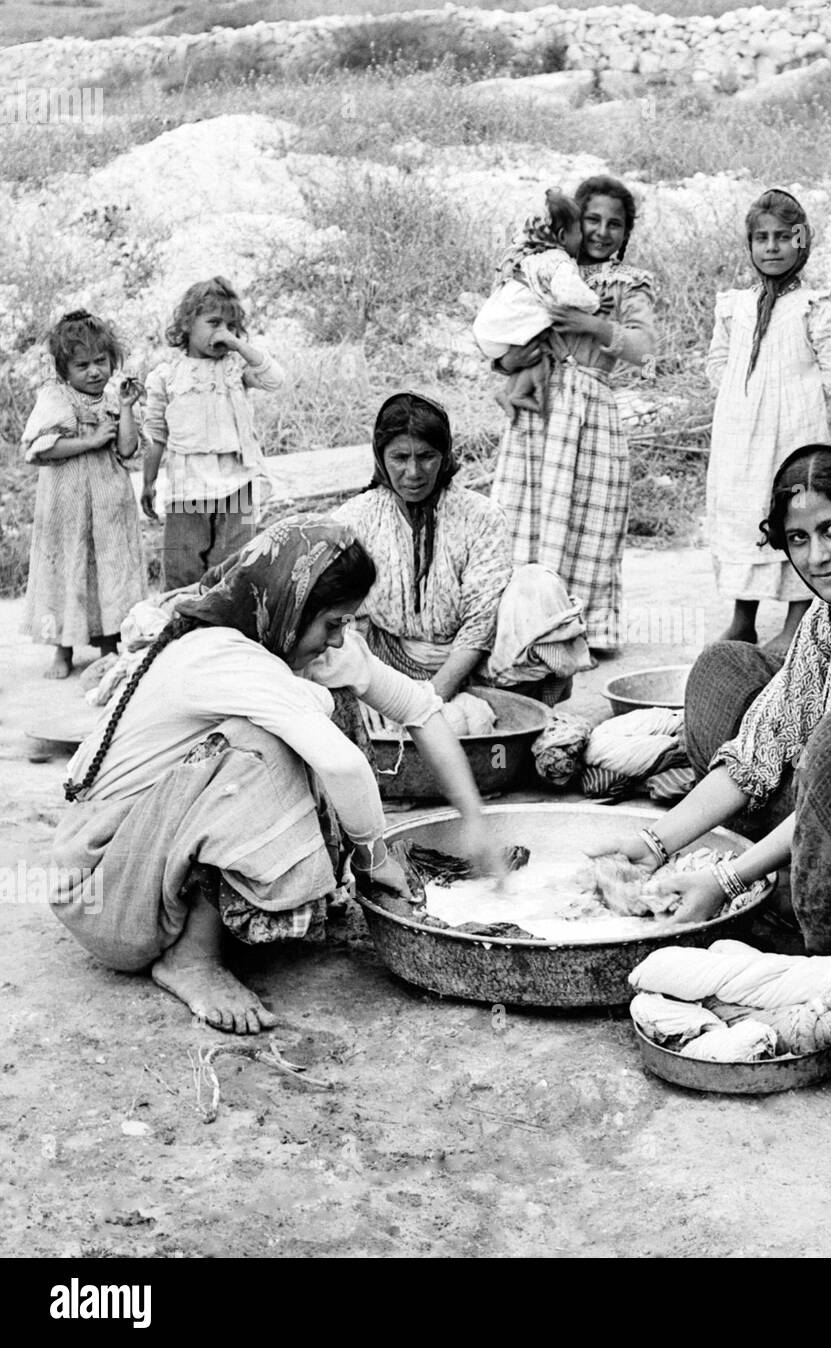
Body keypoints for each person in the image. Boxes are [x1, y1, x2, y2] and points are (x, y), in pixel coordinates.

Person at [49, 516, 501, 1034]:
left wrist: (476, 819)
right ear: (291, 604)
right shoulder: (219, 655)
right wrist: (374, 858)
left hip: (150, 859)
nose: (338, 640)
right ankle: (191, 959)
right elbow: (341, 764)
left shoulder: (296, 641)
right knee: (266, 743)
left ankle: (230, 919)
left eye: (347, 623)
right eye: (332, 623)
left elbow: (420, 708)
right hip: (106, 887)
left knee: (332, 705)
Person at [591, 442, 831, 983]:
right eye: (799, 538)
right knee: (724, 667)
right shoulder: (828, 616)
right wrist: (653, 845)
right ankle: (784, 878)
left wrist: (728, 879)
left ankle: (823, 912)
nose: (816, 557)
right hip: (823, 818)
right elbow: (757, 752)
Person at [333, 391, 590, 709]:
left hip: (479, 663)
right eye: (400, 458)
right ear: (380, 457)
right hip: (389, 666)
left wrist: (430, 700)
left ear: (445, 455)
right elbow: (340, 613)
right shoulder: (356, 519)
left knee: (538, 584)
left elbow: (481, 620)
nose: (413, 472)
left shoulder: (480, 515)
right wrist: (371, 689)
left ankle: (516, 715)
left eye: (426, 456)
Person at [490, 174, 656, 655]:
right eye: (592, 220)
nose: (603, 232)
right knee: (526, 512)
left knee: (588, 517)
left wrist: (594, 325)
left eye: (615, 224)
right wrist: (510, 360)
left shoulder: (627, 284)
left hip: (592, 412)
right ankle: (520, 618)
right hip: (538, 409)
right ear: (572, 224)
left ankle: (585, 625)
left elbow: (645, 352)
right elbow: (505, 333)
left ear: (627, 233)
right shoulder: (542, 269)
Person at [706, 189, 831, 656]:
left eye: (781, 238)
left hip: (793, 430)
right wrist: (740, 399)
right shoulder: (735, 306)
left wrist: (794, 399)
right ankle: (743, 619)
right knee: (742, 510)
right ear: (749, 246)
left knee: (794, 510)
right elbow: (717, 362)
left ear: (801, 242)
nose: (771, 248)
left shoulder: (815, 307)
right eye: (760, 238)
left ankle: (796, 620)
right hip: (739, 433)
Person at [20, 310, 148, 680]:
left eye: (100, 362)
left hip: (109, 505)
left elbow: (126, 451)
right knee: (68, 570)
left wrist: (126, 409)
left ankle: (110, 646)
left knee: (108, 571)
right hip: (67, 508)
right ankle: (63, 649)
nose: (94, 372)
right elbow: (41, 450)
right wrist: (88, 440)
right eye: (82, 365)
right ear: (64, 370)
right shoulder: (55, 399)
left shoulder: (112, 400)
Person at [140, 276, 284, 589]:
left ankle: (226, 629)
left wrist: (237, 344)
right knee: (182, 567)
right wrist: (148, 482)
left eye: (231, 326)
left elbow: (275, 380)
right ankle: (184, 631)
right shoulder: (167, 376)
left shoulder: (236, 368)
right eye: (214, 323)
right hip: (187, 484)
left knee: (233, 567)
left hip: (238, 482)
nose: (223, 333)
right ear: (188, 324)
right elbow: (156, 436)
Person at [473, 188, 602, 419]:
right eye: (582, 231)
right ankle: (516, 393)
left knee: (541, 341)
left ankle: (511, 393)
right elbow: (572, 294)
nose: (588, 238)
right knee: (540, 342)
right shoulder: (558, 263)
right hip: (549, 398)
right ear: (563, 236)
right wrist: (593, 304)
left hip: (492, 331)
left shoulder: (529, 257)